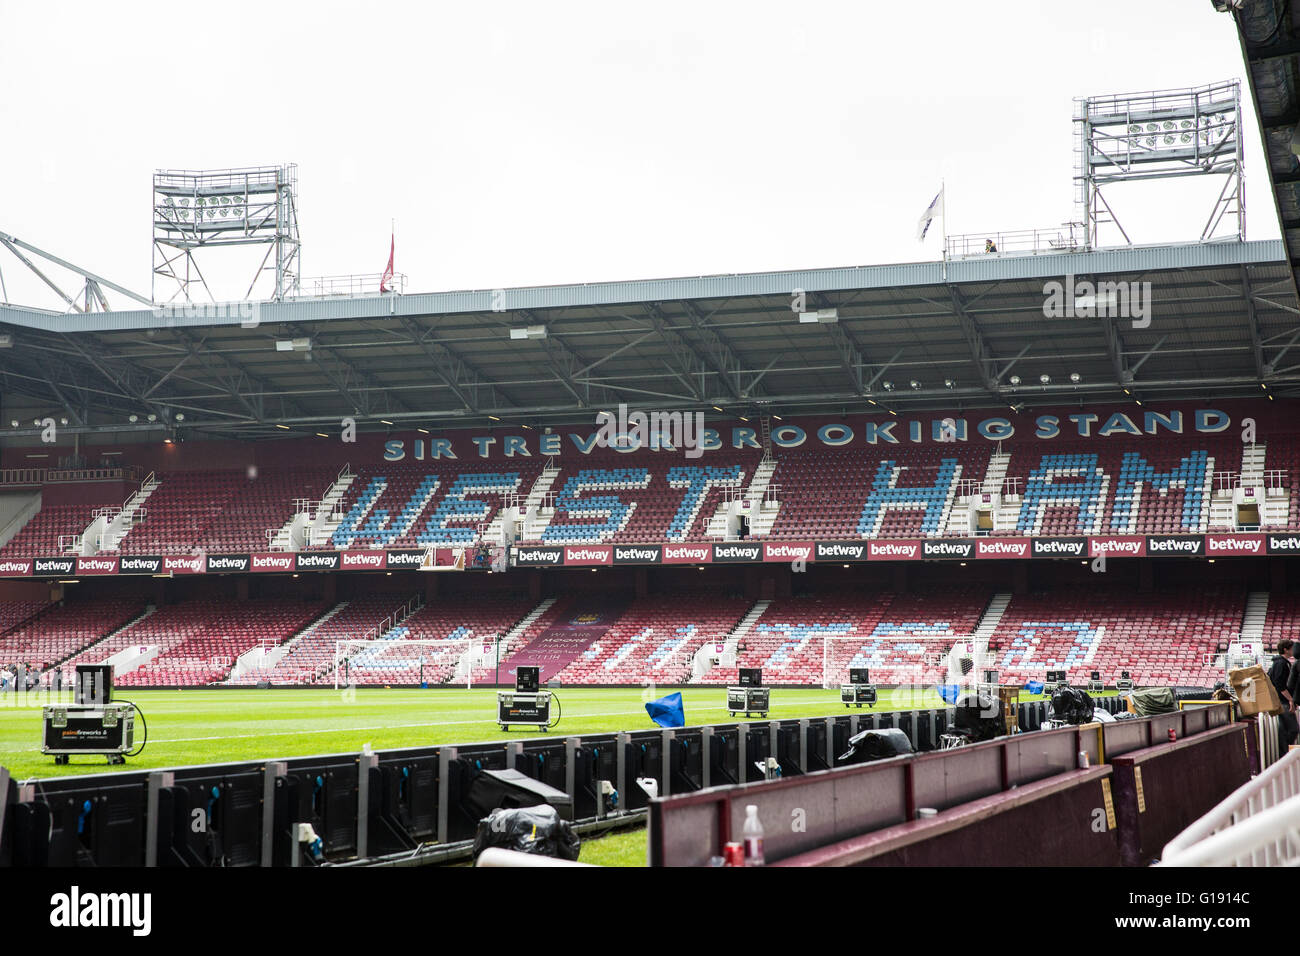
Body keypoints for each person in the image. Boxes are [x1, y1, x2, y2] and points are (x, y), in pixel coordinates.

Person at [1269, 640, 1297, 748]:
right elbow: (1280, 684)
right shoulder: (1281, 664)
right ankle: (1284, 753)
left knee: (1284, 729)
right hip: (1282, 701)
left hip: (1283, 701)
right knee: (1292, 729)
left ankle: (1284, 753)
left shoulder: (1283, 663)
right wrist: (1290, 699)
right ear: (1286, 649)